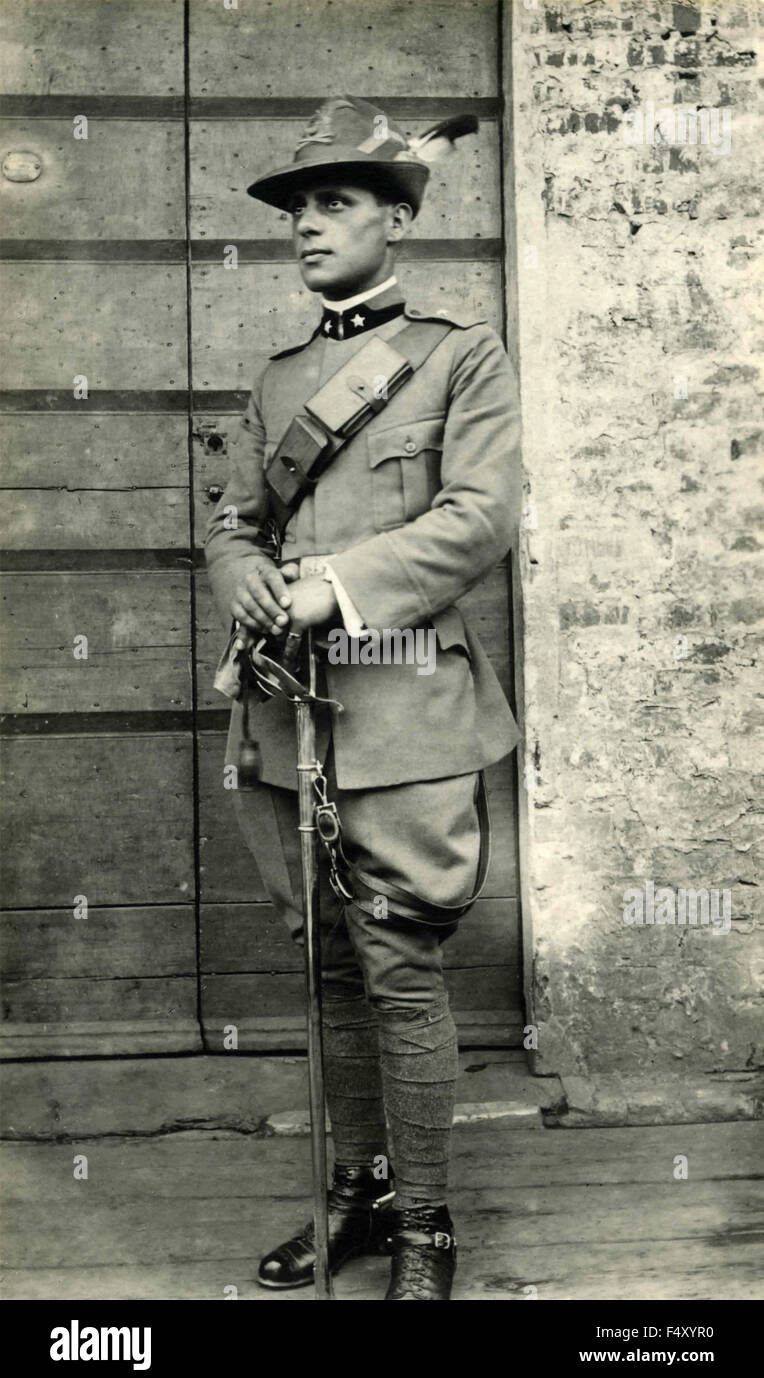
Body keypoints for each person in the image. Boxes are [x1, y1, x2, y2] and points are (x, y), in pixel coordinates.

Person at [204, 96, 521, 1301]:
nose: (303, 228)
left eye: (333, 204)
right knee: (327, 969)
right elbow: (235, 523)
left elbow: (478, 518)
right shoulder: (278, 376)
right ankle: (356, 1199)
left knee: (396, 970)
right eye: (295, 210)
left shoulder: (458, 355)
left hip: (402, 720)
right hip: (290, 721)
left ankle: (430, 1227)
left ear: (397, 219)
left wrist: (334, 586)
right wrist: (246, 582)